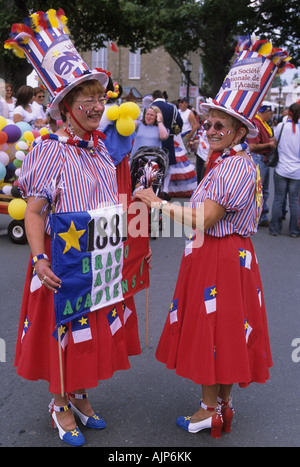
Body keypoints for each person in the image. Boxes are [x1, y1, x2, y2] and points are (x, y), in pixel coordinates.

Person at [135, 33, 291, 438]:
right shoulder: (225, 163)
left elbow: (203, 219)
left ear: (241, 132)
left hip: (220, 256)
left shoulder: (236, 167)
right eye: (209, 122)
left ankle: (209, 409)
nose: (212, 128)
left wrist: (155, 203)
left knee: (212, 330)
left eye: (222, 124)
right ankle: (221, 405)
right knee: (224, 329)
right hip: (222, 256)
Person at [6, 8, 149, 447]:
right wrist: (40, 255)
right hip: (63, 259)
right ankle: (60, 402)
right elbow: (33, 212)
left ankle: (81, 392)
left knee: (91, 327)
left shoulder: (102, 149)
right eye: (85, 100)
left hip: (101, 256)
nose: (95, 107)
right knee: (63, 328)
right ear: (66, 107)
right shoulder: (49, 150)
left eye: (99, 99)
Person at [269, 102, 300, 237]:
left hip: (281, 168)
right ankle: (294, 230)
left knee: (278, 199)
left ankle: (274, 229)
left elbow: (274, 143)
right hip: (297, 170)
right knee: (294, 201)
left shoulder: (280, 127)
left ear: (289, 113)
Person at [248, 104, 276, 226]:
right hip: (259, 158)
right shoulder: (256, 124)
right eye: (271, 113)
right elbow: (253, 146)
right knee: (258, 191)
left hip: (263, 159)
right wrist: (269, 145)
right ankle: (255, 218)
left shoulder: (262, 124)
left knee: (264, 190)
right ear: (266, 112)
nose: (272, 116)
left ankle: (262, 216)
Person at [152, 90, 183, 197]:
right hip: (168, 138)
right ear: (162, 96)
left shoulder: (150, 106)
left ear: (153, 98)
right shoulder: (172, 107)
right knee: (168, 165)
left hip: (153, 139)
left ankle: (154, 190)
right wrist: (173, 132)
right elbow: (179, 122)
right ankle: (165, 190)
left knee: (154, 164)